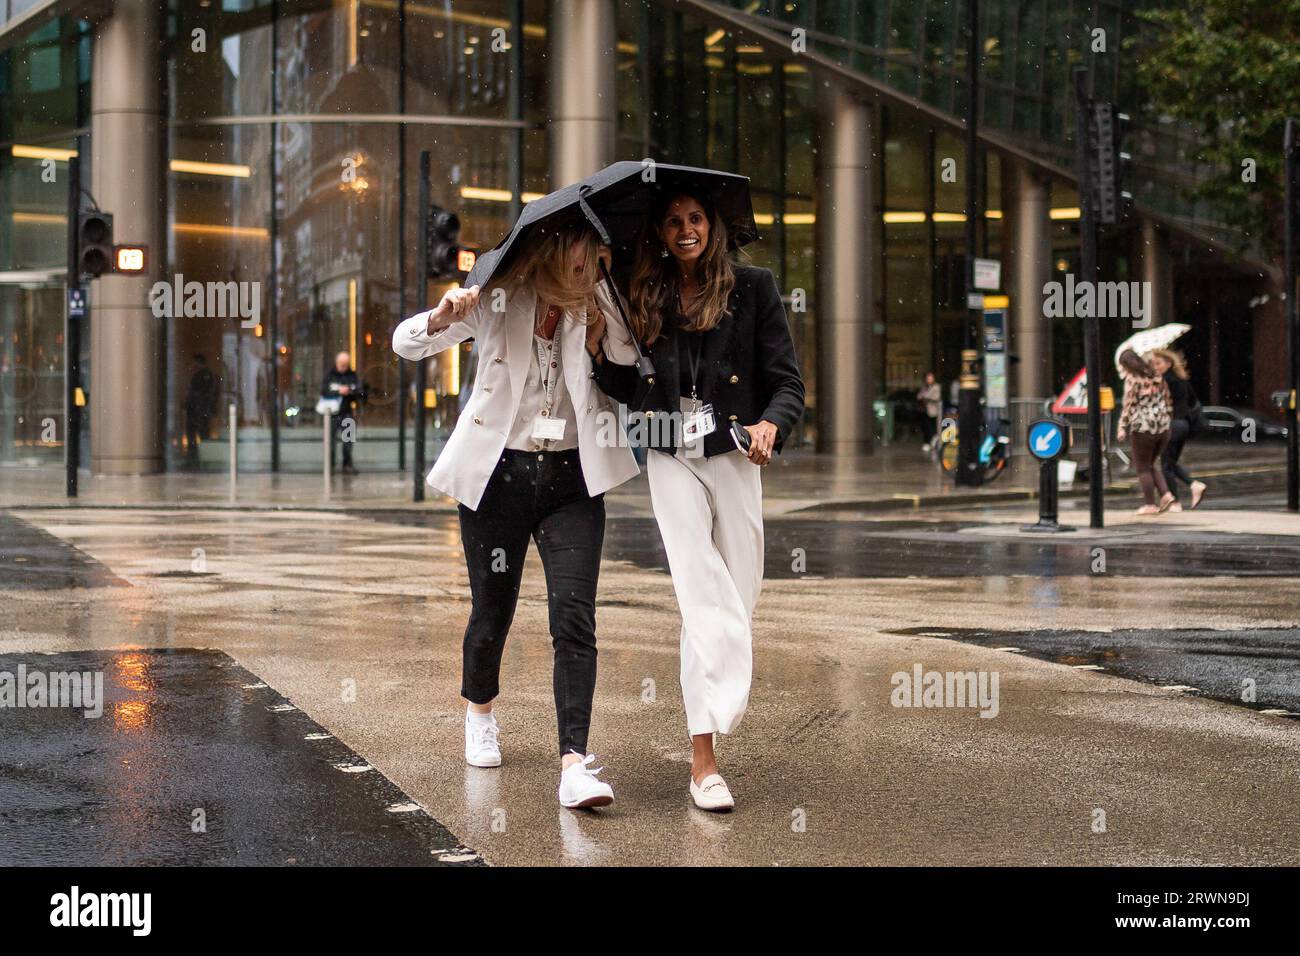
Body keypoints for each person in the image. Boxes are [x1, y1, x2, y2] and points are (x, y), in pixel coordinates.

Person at [391, 225, 637, 810]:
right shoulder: (498, 298)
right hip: (497, 476)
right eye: (581, 256)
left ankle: (574, 762)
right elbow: (405, 344)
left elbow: (633, 374)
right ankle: (480, 710)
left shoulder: (603, 303)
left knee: (574, 615)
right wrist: (442, 316)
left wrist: (604, 338)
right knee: (491, 610)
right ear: (553, 256)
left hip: (573, 480)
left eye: (597, 257)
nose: (591, 267)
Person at [592, 192, 805, 811]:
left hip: (735, 449)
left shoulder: (755, 287)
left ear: (712, 226)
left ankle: (720, 700)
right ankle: (703, 760)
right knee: (696, 587)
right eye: (673, 220)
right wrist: (599, 360)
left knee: (740, 588)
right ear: (659, 231)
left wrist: (771, 425)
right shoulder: (646, 293)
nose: (685, 230)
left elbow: (788, 381)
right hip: (666, 450)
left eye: (695, 219)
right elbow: (636, 387)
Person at [1116, 348, 1175, 516]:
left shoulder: (1132, 379)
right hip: (1163, 427)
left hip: (1143, 428)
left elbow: (1128, 405)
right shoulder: (1157, 376)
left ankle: (1150, 504)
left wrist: (1122, 426)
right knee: (1149, 464)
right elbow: (1168, 399)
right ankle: (1166, 494)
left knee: (1141, 467)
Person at [1150, 348, 1207, 511]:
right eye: (1153, 363)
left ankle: (1175, 502)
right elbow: (1193, 401)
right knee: (1172, 463)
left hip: (1172, 425)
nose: (1155, 367)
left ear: (1169, 363)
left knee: (1166, 465)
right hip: (1184, 425)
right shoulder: (1182, 379)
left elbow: (1160, 403)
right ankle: (1194, 485)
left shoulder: (1165, 381)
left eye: (1158, 363)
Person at [321, 351, 365, 475]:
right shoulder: (330, 375)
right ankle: (330, 465)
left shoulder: (352, 375)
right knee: (331, 442)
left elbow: (359, 391)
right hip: (332, 414)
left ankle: (347, 464)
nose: (343, 367)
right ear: (337, 363)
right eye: (341, 364)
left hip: (347, 412)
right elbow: (324, 391)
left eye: (346, 365)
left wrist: (350, 391)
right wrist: (338, 391)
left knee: (348, 441)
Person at [183, 354, 217, 469]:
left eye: (195, 363)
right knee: (195, 436)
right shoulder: (199, 375)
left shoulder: (204, 375)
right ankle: (196, 460)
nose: (193, 366)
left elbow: (202, 394)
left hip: (199, 410)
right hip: (196, 410)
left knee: (200, 435)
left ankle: (199, 460)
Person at [917, 372, 941, 454]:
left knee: (932, 427)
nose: (929, 380)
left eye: (930, 378)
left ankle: (933, 442)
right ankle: (927, 443)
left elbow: (936, 397)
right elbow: (919, 396)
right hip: (924, 410)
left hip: (933, 410)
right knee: (925, 427)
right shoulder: (924, 387)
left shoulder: (936, 387)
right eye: (928, 378)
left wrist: (926, 397)